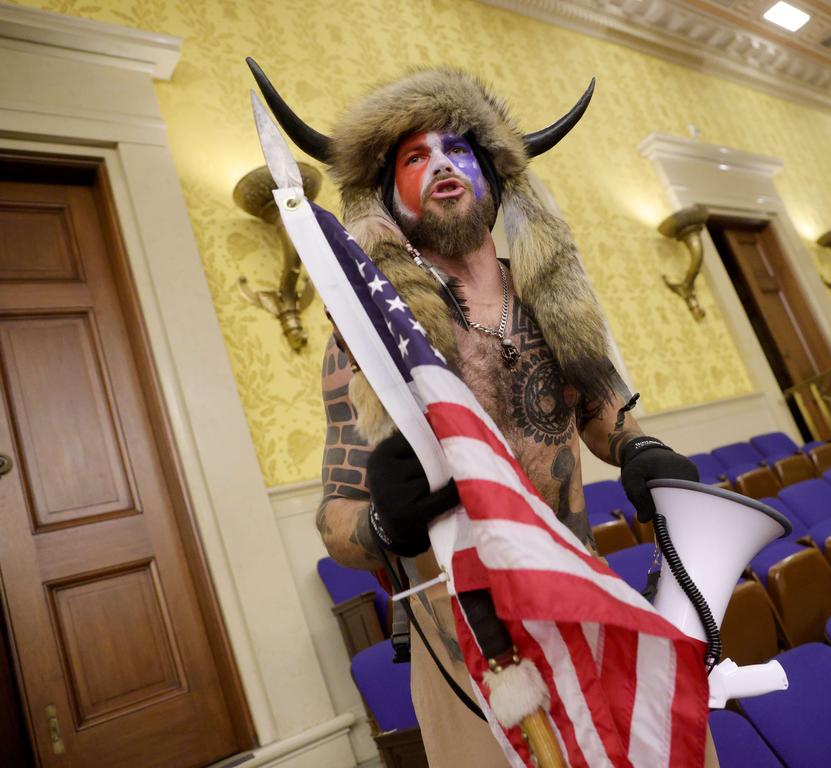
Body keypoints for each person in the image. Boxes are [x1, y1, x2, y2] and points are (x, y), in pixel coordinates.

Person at [250, 63, 716, 767]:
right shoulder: (371, 339)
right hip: (468, 655)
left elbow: (609, 418)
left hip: (583, 607)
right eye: (415, 155)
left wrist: (642, 450)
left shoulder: (554, 307)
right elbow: (334, 519)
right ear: (386, 194)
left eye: (458, 148)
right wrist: (380, 522)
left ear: (494, 177)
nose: (441, 162)